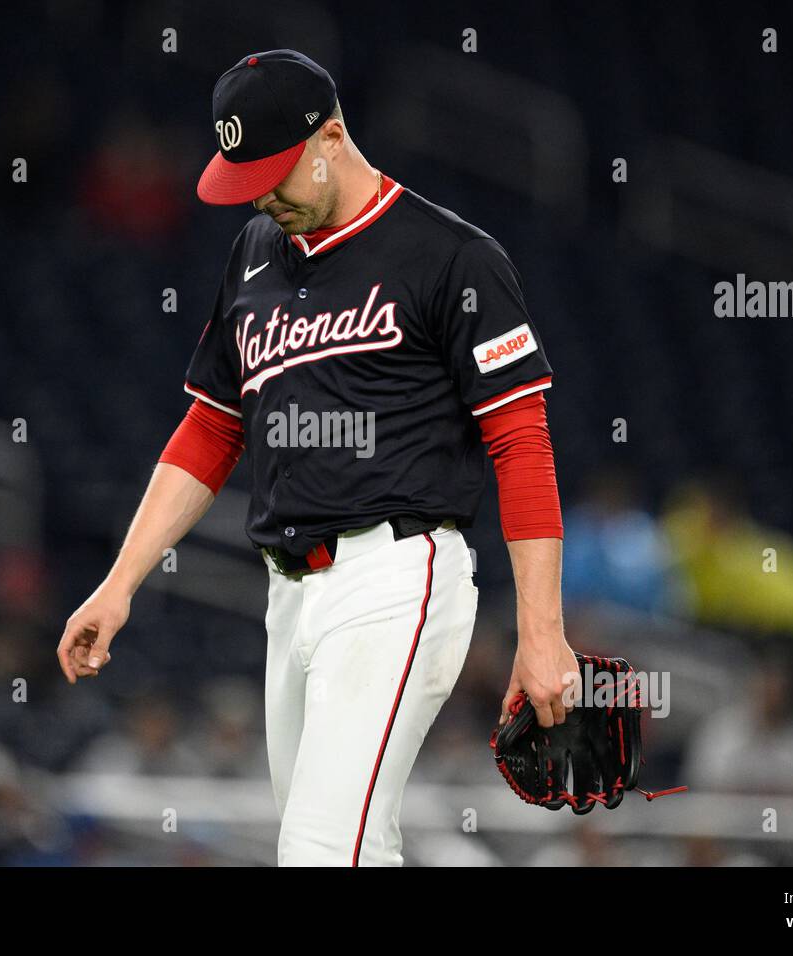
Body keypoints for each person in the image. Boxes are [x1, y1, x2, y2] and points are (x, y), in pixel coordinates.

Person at [58, 49, 571, 866]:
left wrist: (542, 632)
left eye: (275, 172)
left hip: (395, 578)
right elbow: (210, 428)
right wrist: (119, 583)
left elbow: (521, 440)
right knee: (343, 850)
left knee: (322, 852)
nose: (262, 195)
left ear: (332, 135)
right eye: (246, 177)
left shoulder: (452, 257)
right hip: (289, 596)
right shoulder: (255, 252)